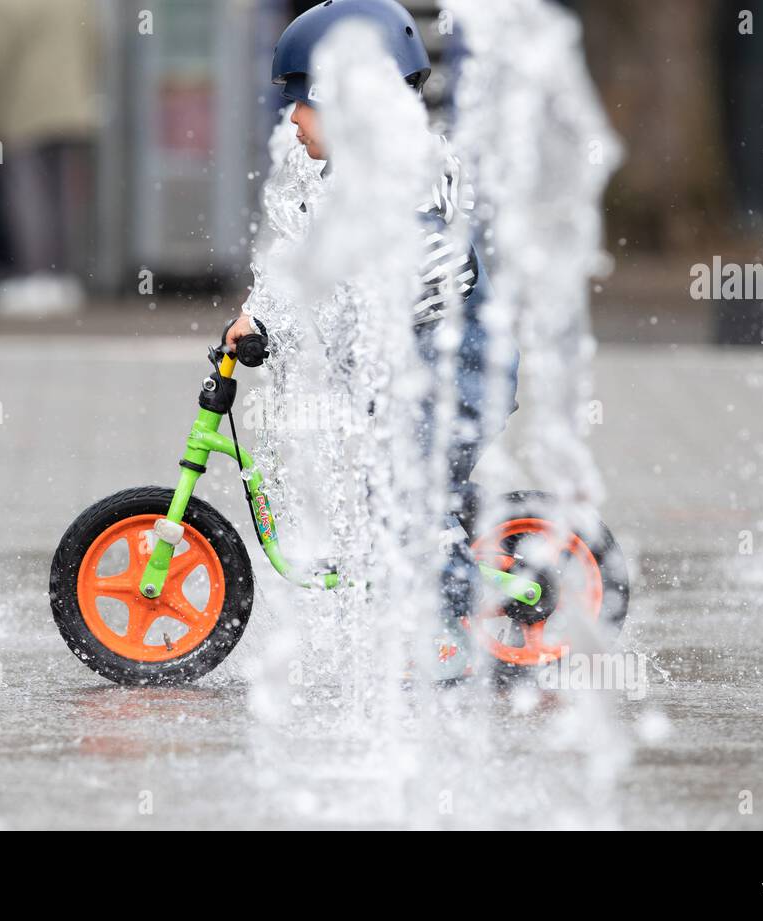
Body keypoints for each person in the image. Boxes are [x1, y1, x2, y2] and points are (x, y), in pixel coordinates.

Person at [224, 0, 520, 678]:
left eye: (304, 103)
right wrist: (262, 316)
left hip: (455, 381)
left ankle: (444, 642)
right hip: (403, 378)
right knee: (383, 494)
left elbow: (408, 275)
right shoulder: (342, 181)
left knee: (406, 500)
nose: (291, 119)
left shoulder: (411, 182)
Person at [0, 0, 105, 316]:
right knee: (66, 196)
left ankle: (35, 275)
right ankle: (63, 276)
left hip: (21, 108)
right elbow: (96, 46)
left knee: (27, 194)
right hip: (72, 106)